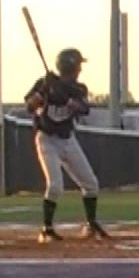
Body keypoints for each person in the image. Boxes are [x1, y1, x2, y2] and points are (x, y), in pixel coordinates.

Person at [24, 48, 108, 243]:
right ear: (70, 67)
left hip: (68, 139)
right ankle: (46, 229)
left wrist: (66, 98)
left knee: (91, 184)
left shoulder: (79, 89)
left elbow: (83, 108)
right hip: (46, 139)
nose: (80, 69)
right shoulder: (45, 83)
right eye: (78, 65)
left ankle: (91, 224)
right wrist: (44, 92)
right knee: (55, 186)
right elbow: (29, 106)